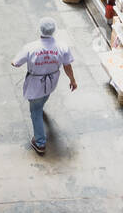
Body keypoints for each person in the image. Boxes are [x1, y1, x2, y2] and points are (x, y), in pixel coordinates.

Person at [11, 18, 77, 156]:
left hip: (35, 84)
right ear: (54, 31)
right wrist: (72, 80)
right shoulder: (62, 47)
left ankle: (40, 142)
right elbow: (67, 66)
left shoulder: (30, 48)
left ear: (39, 30)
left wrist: (14, 61)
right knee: (44, 96)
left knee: (35, 112)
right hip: (51, 81)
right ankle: (41, 105)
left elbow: (16, 63)